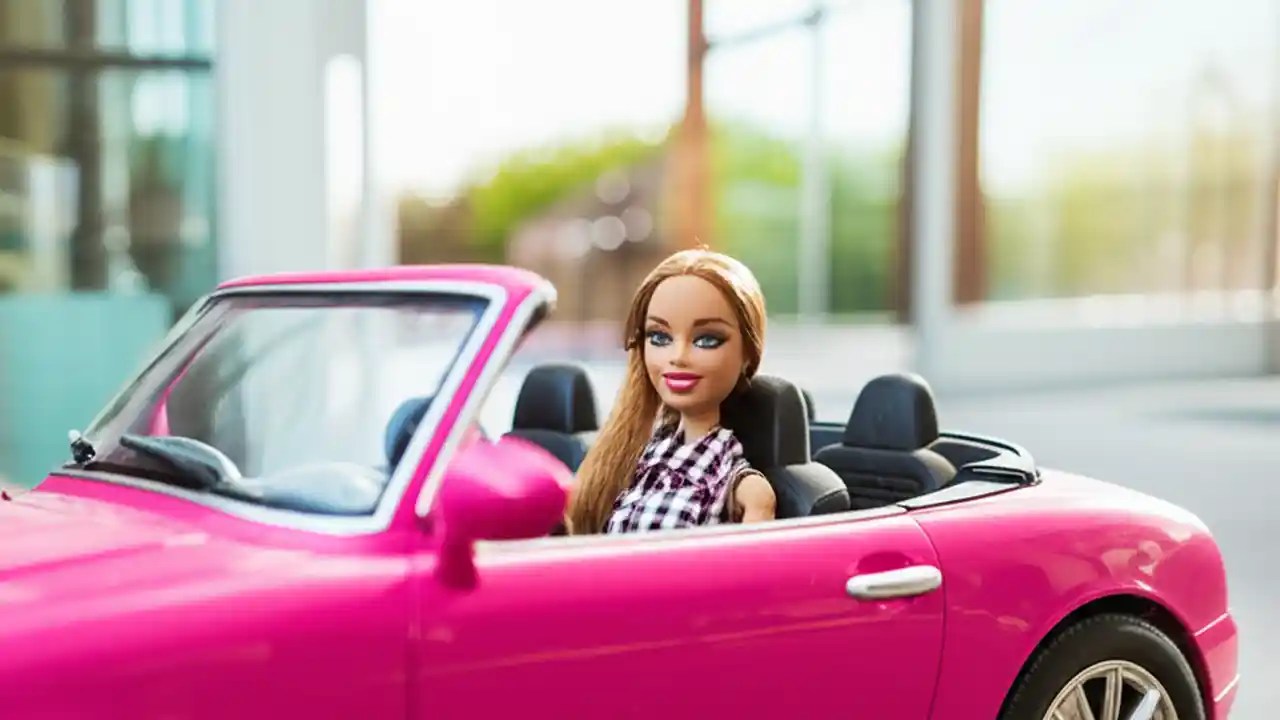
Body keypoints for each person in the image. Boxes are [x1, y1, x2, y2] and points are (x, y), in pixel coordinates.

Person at [566, 248, 777, 535]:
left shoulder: (741, 487)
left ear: (747, 355)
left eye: (707, 340)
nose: (678, 356)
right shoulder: (632, 459)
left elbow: (753, 573)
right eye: (659, 337)